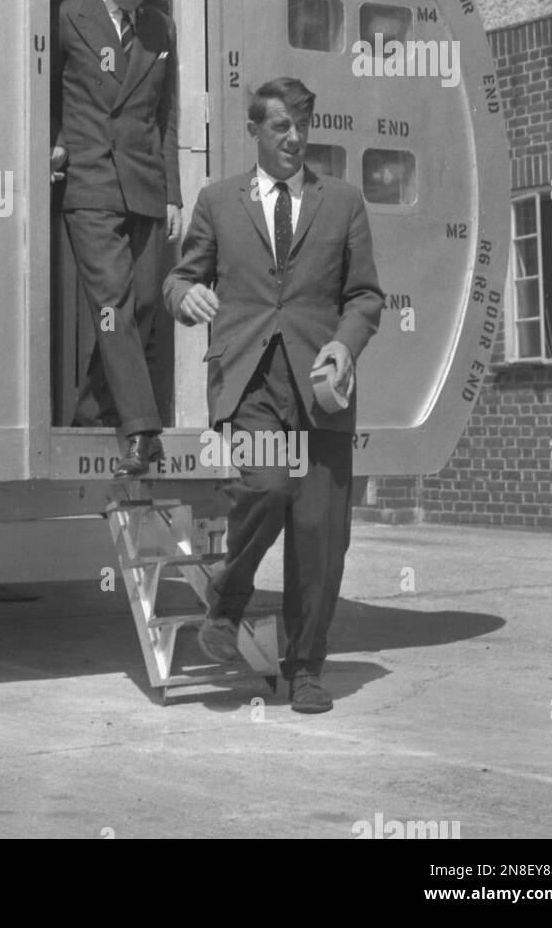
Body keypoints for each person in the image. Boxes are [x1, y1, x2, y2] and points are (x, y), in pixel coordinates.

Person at [163, 77, 382, 713]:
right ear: (255, 131)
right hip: (250, 381)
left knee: (320, 534)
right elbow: (180, 278)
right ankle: (227, 604)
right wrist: (186, 298)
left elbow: (364, 295)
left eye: (303, 125)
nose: (295, 137)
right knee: (266, 486)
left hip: (321, 387)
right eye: (281, 126)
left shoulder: (340, 201)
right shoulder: (216, 201)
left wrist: (344, 346)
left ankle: (307, 669)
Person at [51, 0, 182, 476]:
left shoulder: (161, 29)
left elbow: (165, 116)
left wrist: (173, 192)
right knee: (112, 304)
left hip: (146, 184)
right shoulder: (67, 17)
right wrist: (53, 144)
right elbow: (42, 92)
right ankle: (140, 431)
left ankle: (90, 415)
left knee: (145, 307)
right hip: (91, 183)